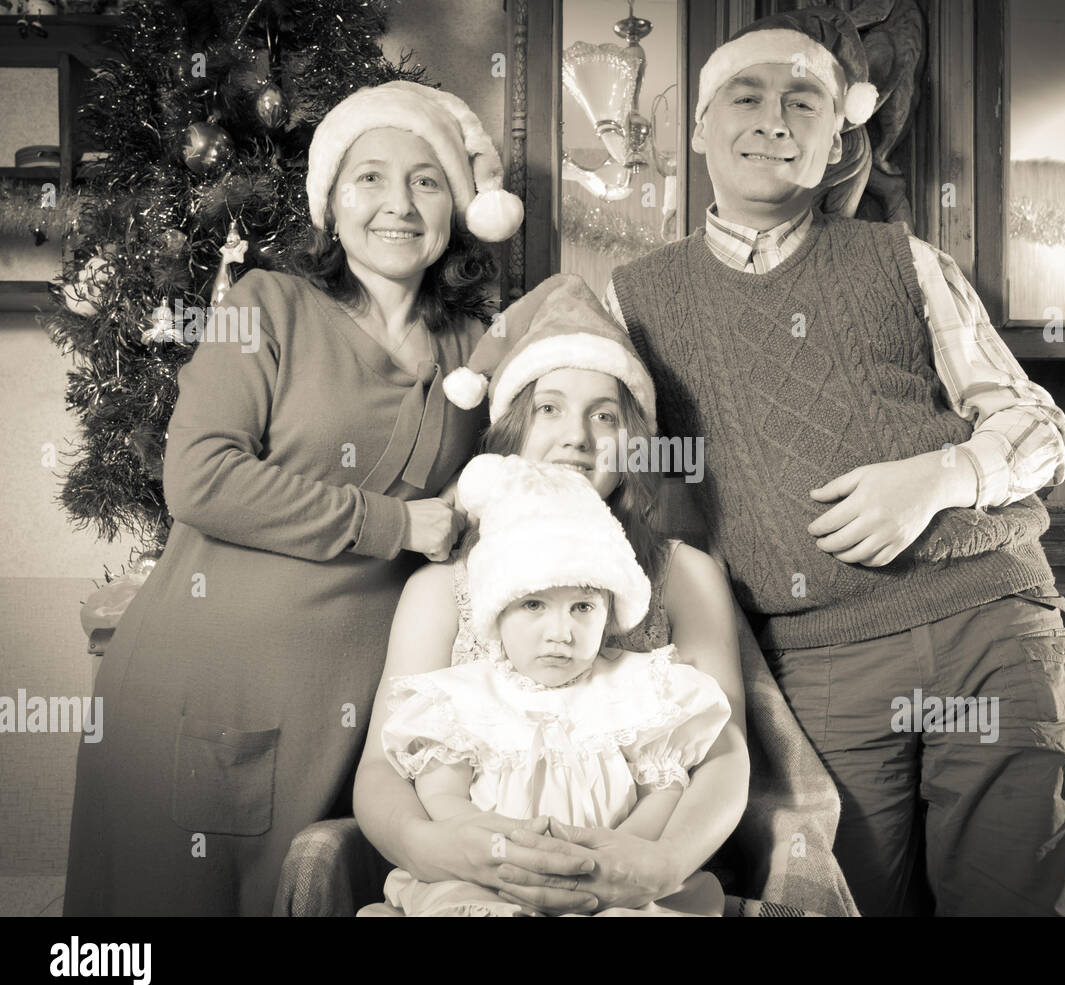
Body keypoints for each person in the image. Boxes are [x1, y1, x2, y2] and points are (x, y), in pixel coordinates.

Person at [601, 7, 1065, 916]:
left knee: (1025, 895)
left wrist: (943, 477)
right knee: (839, 900)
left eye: (805, 101)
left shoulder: (906, 261)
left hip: (986, 625)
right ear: (701, 123)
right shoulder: (637, 297)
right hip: (813, 660)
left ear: (837, 132)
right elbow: (626, 476)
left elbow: (1041, 429)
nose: (774, 120)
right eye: (747, 98)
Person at [62, 80, 524, 916]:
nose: (398, 204)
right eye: (369, 178)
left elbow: (517, 471)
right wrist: (391, 523)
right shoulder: (264, 305)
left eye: (426, 180)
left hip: (352, 716)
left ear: (459, 207)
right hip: (209, 689)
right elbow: (199, 475)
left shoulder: (478, 344)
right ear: (330, 202)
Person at [354, 274, 857, 916]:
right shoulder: (439, 588)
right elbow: (381, 772)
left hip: (633, 875)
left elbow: (722, 756)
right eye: (549, 409)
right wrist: (437, 846)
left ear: (633, 444)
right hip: (477, 880)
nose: (578, 437)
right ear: (511, 431)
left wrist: (663, 862)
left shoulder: (683, 574)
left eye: (605, 416)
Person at [368, 453, 733, 917]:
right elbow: (441, 794)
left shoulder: (638, 688)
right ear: (497, 616)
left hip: (610, 878)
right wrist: (504, 847)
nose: (560, 632)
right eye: (535, 605)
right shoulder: (464, 696)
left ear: (610, 612)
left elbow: (664, 787)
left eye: (582, 607)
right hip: (490, 875)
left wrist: (617, 852)